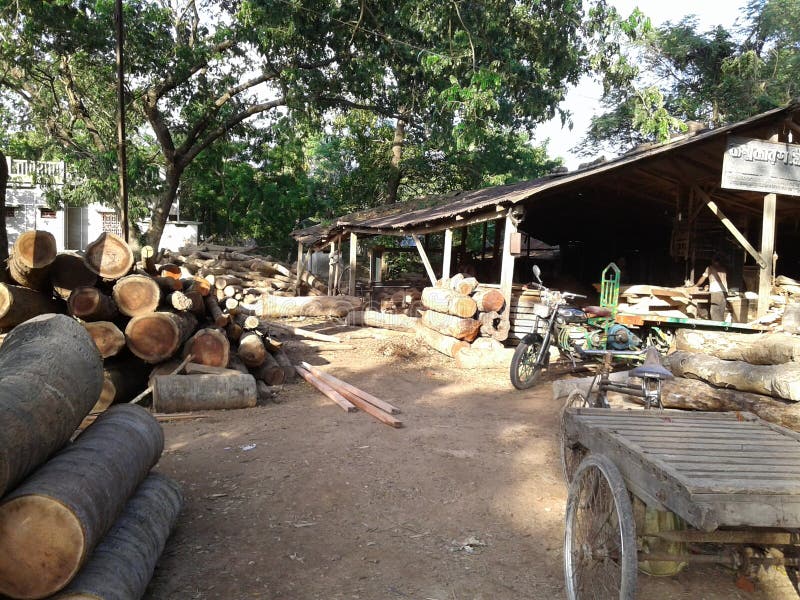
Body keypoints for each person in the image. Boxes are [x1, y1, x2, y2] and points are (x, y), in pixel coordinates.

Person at [695, 254, 729, 321]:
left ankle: (716, 327)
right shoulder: (723, 269)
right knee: (721, 312)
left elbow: (703, 278)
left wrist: (696, 285)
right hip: (724, 292)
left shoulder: (710, 268)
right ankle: (721, 326)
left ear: (712, 261)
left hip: (716, 292)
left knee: (714, 312)